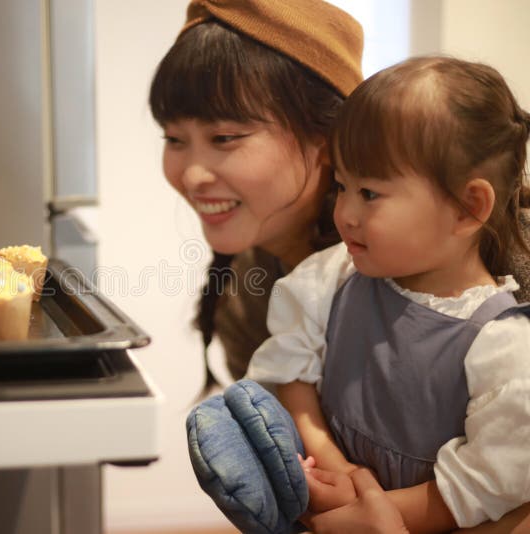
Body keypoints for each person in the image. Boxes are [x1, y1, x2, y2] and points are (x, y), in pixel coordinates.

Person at [149, 0, 530, 531]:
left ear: (325, 138)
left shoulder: (504, 275)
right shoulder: (261, 291)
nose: (190, 175)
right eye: (173, 138)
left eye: (225, 138)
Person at [243, 55, 530, 532]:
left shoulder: (505, 348)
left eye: (370, 193)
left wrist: (373, 511)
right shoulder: (332, 276)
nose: (345, 214)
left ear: (467, 206)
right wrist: (338, 470)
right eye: (342, 186)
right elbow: (290, 371)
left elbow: (486, 485)